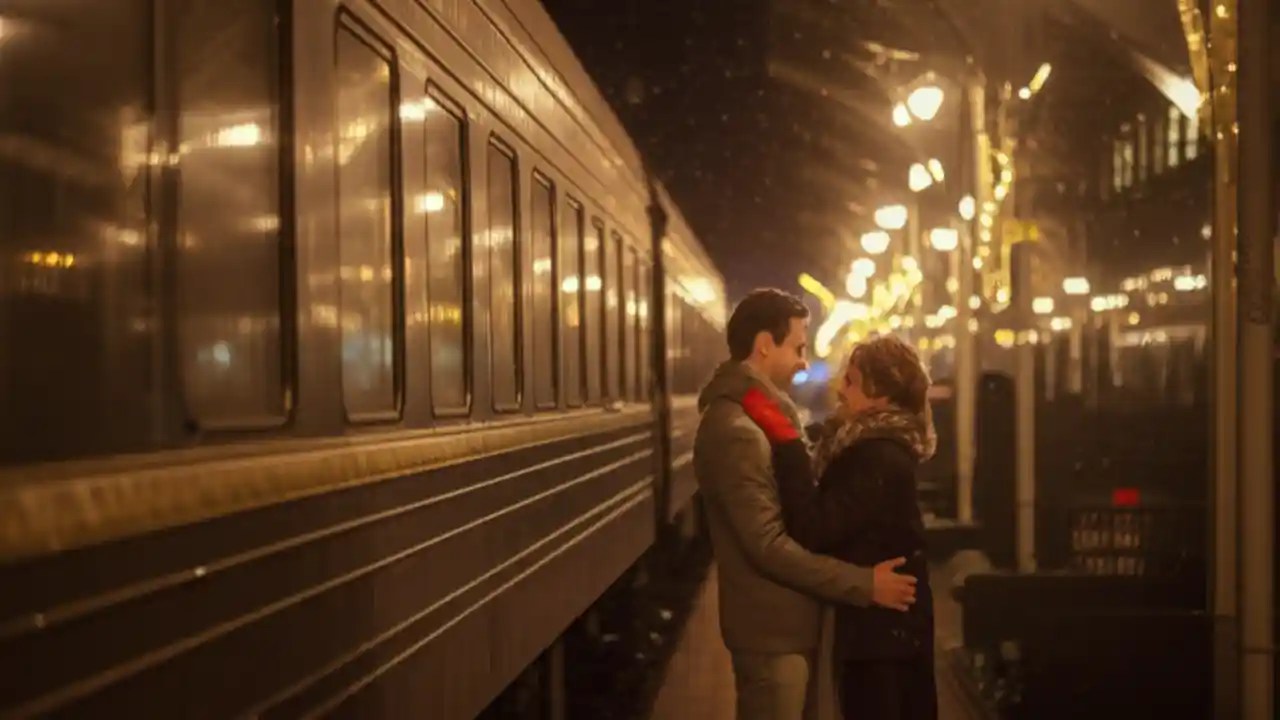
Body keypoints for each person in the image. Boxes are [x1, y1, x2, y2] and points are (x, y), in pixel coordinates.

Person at [694, 289, 919, 720]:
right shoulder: (738, 429)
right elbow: (768, 545)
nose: (804, 361)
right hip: (772, 633)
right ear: (764, 344)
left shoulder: (762, 417)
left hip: (788, 626)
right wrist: (863, 583)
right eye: (798, 347)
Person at [754, 335, 939, 720]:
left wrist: (788, 446)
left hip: (882, 639)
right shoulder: (872, 446)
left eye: (852, 381)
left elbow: (813, 528)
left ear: (881, 393)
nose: (840, 388)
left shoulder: (877, 455)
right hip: (887, 631)